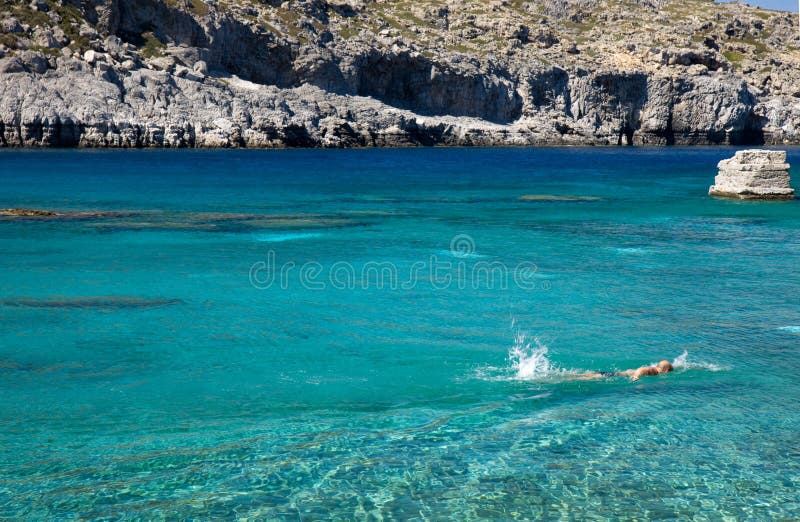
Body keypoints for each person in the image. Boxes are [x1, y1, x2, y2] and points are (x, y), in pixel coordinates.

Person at [579, 360, 674, 381]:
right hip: (616, 375)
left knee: (588, 375)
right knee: (587, 378)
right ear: (665, 371)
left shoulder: (655, 368)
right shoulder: (653, 370)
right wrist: (636, 376)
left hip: (617, 374)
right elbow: (642, 369)